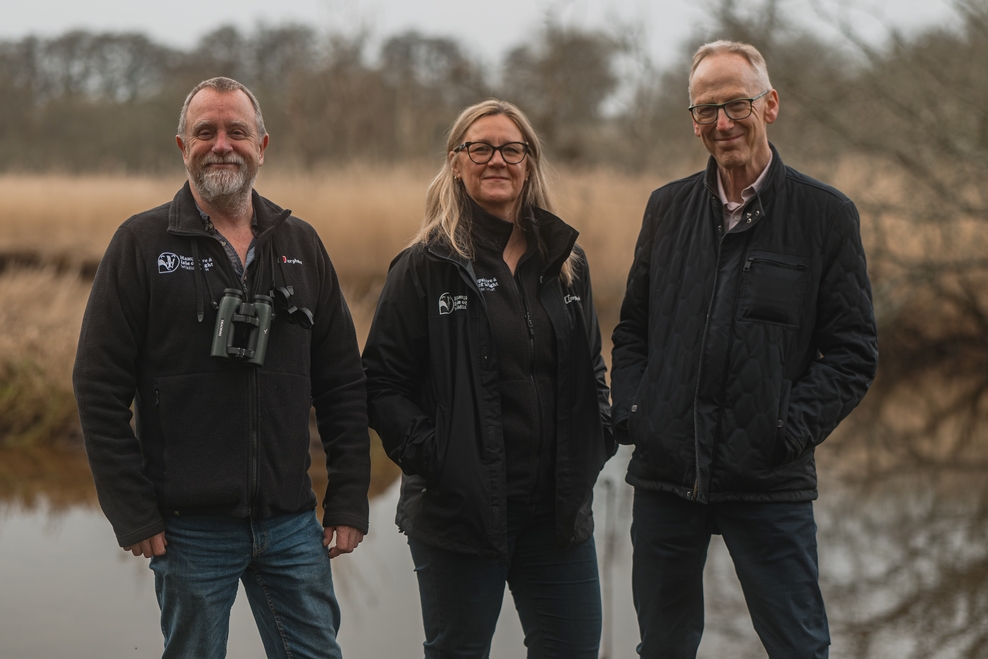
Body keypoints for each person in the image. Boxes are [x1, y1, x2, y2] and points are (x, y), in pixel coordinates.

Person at [72, 76, 370, 659]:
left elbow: (342, 383)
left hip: (290, 522)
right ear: (183, 146)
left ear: (263, 145)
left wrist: (350, 497)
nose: (221, 144)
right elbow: (97, 386)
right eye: (205, 132)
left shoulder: (301, 244)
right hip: (187, 530)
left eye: (237, 131)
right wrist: (132, 510)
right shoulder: (140, 243)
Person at [610, 41, 879, 658]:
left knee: (799, 646)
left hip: (768, 481)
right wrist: (637, 415)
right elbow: (633, 332)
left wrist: (784, 430)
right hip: (666, 479)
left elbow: (852, 353)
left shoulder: (824, 215)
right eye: (705, 110)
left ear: (771, 105)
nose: (721, 123)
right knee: (663, 648)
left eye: (736, 104)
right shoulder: (666, 209)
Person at [362, 99, 615, 659]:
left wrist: (595, 438)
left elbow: (592, 365)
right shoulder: (426, 266)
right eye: (480, 148)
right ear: (457, 163)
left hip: (557, 515)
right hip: (460, 515)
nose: (496, 159)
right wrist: (440, 458)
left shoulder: (566, 263)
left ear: (529, 162)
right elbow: (380, 383)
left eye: (511, 148)